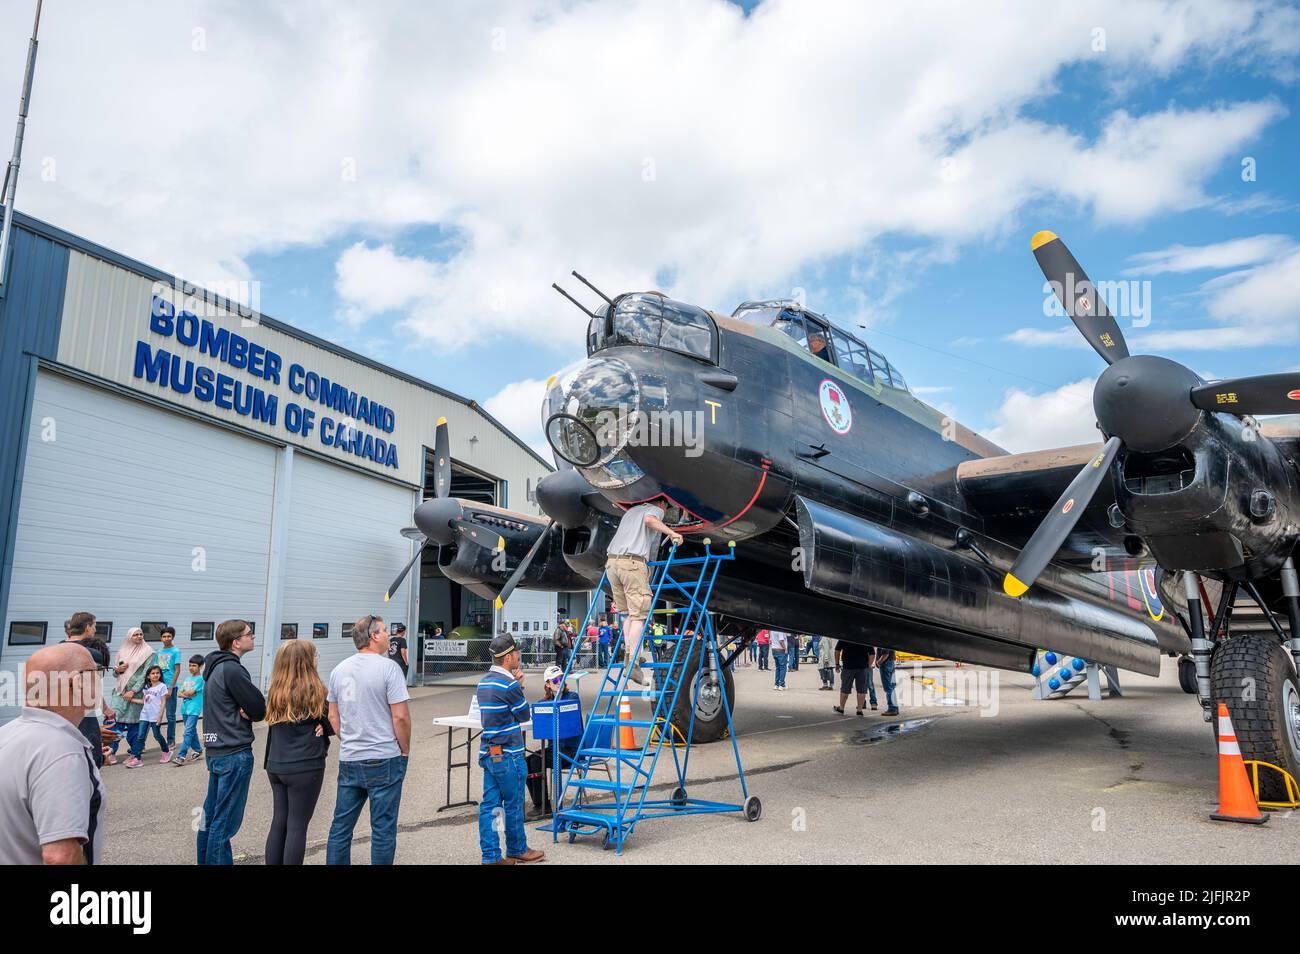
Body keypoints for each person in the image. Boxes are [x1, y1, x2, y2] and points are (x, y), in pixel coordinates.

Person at [0, 643, 107, 864]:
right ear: (77, 684)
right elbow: (60, 857)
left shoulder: (7, 734)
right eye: (96, 673)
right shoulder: (63, 751)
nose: (100, 680)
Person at [326, 614, 411, 865]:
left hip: (350, 758)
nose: (388, 635)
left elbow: (333, 715)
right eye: (384, 631)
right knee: (383, 829)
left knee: (340, 828)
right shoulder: (389, 668)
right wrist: (404, 750)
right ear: (374, 636)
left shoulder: (339, 669)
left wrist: (349, 740)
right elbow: (401, 717)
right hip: (384, 758)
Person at [197, 619, 266, 865]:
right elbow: (259, 708)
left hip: (217, 751)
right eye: (250, 634)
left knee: (210, 819)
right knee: (223, 824)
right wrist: (247, 709)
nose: (253, 637)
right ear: (236, 642)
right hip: (233, 753)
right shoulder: (232, 669)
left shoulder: (214, 668)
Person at [476, 634, 544, 865]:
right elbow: (523, 714)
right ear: (507, 658)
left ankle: (492, 855)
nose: (519, 656)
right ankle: (517, 848)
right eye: (516, 653)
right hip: (509, 754)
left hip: (489, 751)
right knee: (513, 805)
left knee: (490, 806)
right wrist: (520, 685)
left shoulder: (484, 681)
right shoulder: (509, 684)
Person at [265, 641, 334, 865]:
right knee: (297, 826)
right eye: (315, 655)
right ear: (306, 661)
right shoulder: (316, 689)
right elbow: (333, 719)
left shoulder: (275, 690)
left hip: (276, 763)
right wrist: (325, 726)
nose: (318, 659)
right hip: (305, 764)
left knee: (279, 822)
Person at [605, 500, 684, 685]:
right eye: (667, 507)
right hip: (632, 564)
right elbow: (650, 519)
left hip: (612, 564)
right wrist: (672, 533)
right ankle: (632, 663)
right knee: (640, 616)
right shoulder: (654, 509)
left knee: (627, 615)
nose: (665, 511)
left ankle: (630, 656)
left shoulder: (631, 512)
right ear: (662, 503)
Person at [526, 665, 581, 816]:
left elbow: (559, 708)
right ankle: (540, 803)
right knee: (527, 762)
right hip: (555, 748)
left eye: (562, 678)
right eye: (555, 679)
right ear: (548, 685)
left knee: (537, 761)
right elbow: (536, 711)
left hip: (571, 749)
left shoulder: (572, 697)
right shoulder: (544, 701)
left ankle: (543, 806)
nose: (559, 681)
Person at [62, 611, 114, 767]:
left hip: (59, 712)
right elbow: (91, 689)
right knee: (89, 762)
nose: (95, 630)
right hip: (83, 712)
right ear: (87, 627)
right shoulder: (92, 655)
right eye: (95, 626)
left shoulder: (55, 650)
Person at [109, 627, 155, 768]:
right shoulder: (123, 650)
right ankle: (110, 752)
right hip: (120, 692)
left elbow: (145, 675)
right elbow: (115, 673)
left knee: (134, 726)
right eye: (136, 635)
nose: (139, 636)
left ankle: (135, 753)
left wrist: (134, 691)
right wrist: (117, 671)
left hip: (136, 693)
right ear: (130, 637)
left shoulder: (148, 652)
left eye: (141, 634)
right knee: (115, 722)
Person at [134, 664, 173, 765]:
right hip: (144, 715)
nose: (155, 675)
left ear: (160, 675)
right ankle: (137, 758)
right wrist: (131, 699)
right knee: (140, 736)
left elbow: (163, 702)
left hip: (155, 716)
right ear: (148, 676)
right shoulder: (147, 687)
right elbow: (144, 701)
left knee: (157, 735)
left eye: (157, 673)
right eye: (153, 673)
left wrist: (160, 717)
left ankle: (166, 752)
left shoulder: (162, 686)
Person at [174, 654, 205, 765]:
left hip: (194, 710)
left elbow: (191, 693)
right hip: (185, 709)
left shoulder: (200, 679)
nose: (191, 667)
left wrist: (186, 694)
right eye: (190, 665)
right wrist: (187, 694)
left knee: (187, 732)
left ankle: (181, 756)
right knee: (192, 731)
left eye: (194, 665)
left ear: (200, 666)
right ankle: (198, 749)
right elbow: (179, 693)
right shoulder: (187, 679)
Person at [834, 640, 877, 716]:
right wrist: (868, 666)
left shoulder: (844, 636)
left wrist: (837, 664)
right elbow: (872, 654)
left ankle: (841, 708)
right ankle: (859, 710)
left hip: (848, 667)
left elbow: (837, 650)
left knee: (845, 689)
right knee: (862, 690)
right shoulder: (865, 637)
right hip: (862, 668)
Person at [157, 626, 183, 749]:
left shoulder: (175, 651)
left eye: (169, 636)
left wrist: (171, 687)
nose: (166, 638)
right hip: (158, 687)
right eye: (164, 636)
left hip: (170, 687)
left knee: (170, 715)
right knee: (153, 714)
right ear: (161, 638)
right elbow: (156, 670)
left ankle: (171, 740)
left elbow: (177, 670)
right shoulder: (159, 652)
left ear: (172, 637)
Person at [873, 644, 900, 717]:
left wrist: (878, 662)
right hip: (891, 662)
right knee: (892, 687)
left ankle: (892, 708)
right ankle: (895, 707)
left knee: (888, 688)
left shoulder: (883, 638)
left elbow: (885, 654)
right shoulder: (890, 637)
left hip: (886, 663)